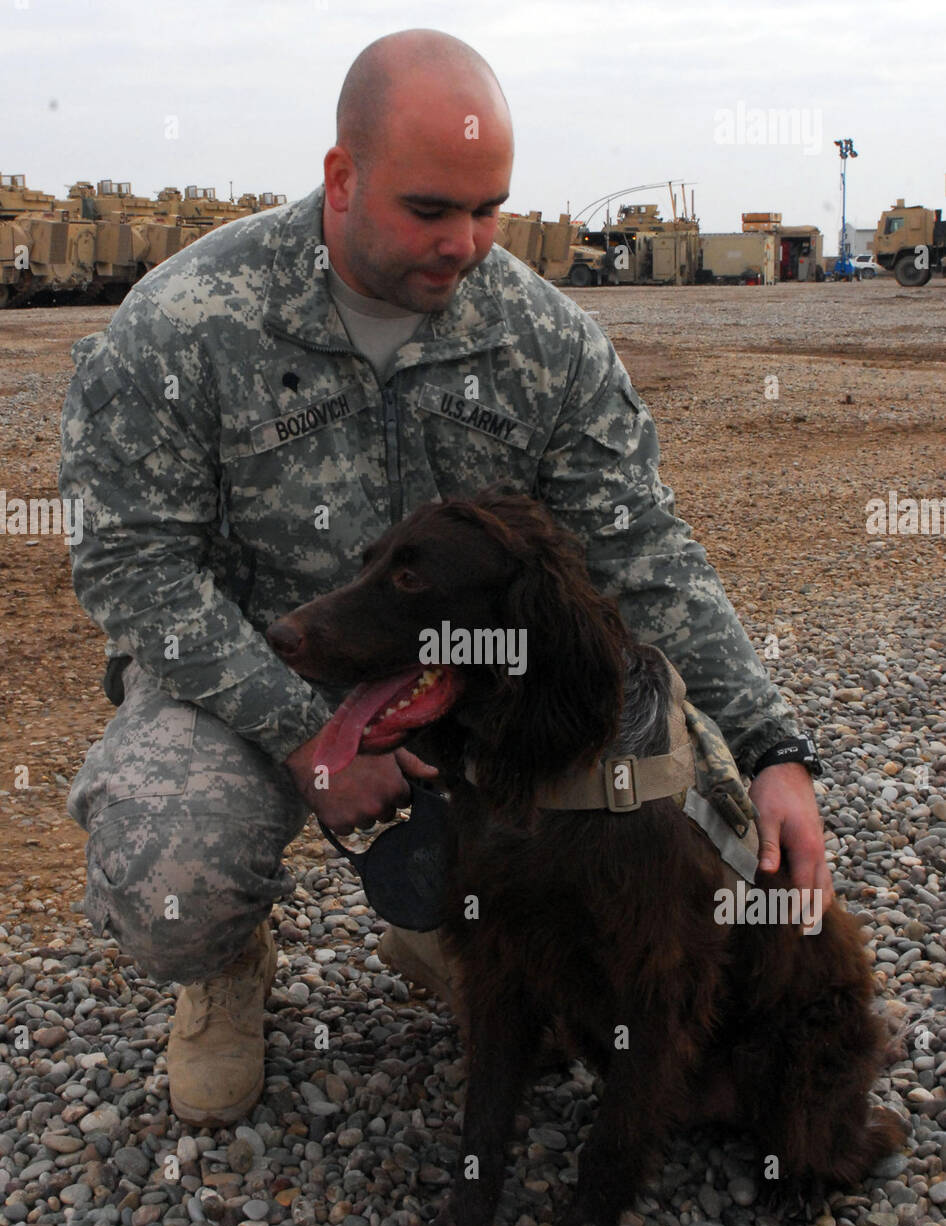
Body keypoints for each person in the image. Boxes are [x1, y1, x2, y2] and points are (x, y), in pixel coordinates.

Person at [59, 28, 830, 1128]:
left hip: (469, 699)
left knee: (632, 850)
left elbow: (641, 553)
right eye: (429, 210)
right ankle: (224, 961)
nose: (465, 244)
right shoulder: (182, 325)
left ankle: (459, 928)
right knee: (163, 871)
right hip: (257, 669)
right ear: (341, 177)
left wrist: (769, 751)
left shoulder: (542, 340)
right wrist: (302, 736)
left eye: (488, 209)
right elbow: (131, 566)